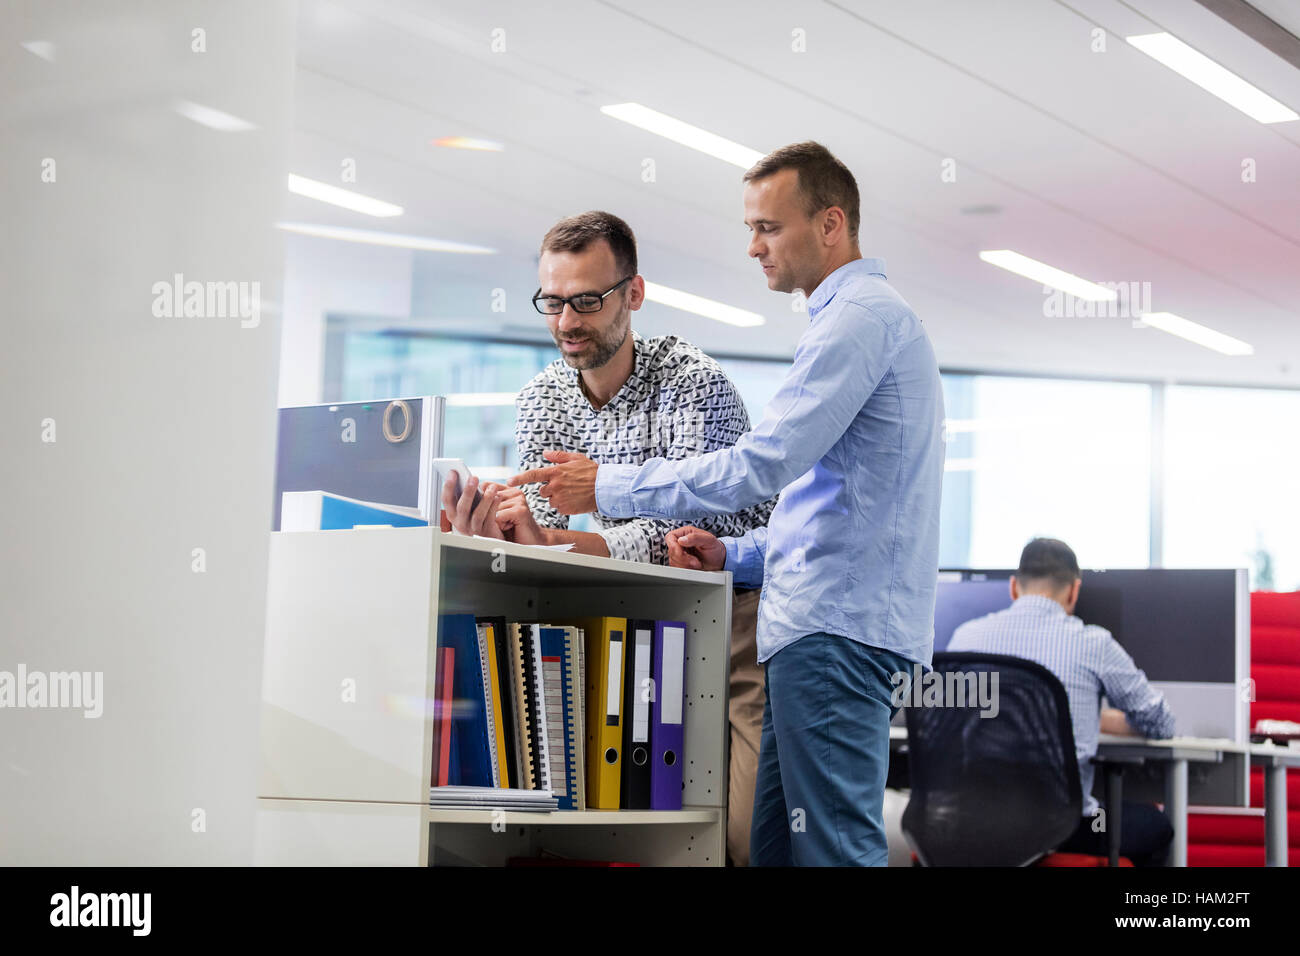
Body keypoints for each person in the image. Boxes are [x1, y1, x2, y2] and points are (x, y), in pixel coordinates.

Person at [507, 142, 946, 866]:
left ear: (831, 224)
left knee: (831, 849)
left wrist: (606, 485)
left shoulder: (859, 319)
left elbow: (761, 466)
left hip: (833, 632)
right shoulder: (842, 320)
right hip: (805, 622)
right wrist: (735, 555)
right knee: (773, 850)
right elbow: (826, 508)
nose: (753, 247)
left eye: (769, 227)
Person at [442, 210, 776, 866]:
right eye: (554, 302)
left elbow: (688, 538)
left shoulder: (692, 384)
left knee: (740, 837)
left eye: (588, 301)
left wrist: (553, 537)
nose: (567, 322)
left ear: (634, 294)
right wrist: (514, 529)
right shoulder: (541, 398)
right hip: (621, 611)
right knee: (622, 823)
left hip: (734, 616)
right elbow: (548, 535)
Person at [947, 537, 1177, 866]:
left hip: (972, 822)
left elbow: (945, 720)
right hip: (1061, 828)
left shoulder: (964, 638)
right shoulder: (1093, 643)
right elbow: (1162, 723)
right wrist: (1096, 718)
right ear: (1073, 591)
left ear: (1013, 587)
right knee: (1155, 827)